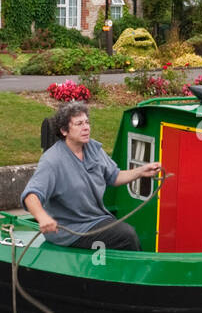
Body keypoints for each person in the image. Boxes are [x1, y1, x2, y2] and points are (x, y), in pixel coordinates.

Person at [21, 102, 161, 250]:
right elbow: (31, 195)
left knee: (125, 231)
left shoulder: (93, 149)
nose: (86, 127)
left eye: (87, 122)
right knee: (126, 236)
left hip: (96, 220)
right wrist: (42, 217)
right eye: (79, 123)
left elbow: (114, 176)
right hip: (69, 230)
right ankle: (134, 272)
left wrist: (141, 171)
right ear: (64, 131)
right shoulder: (52, 160)